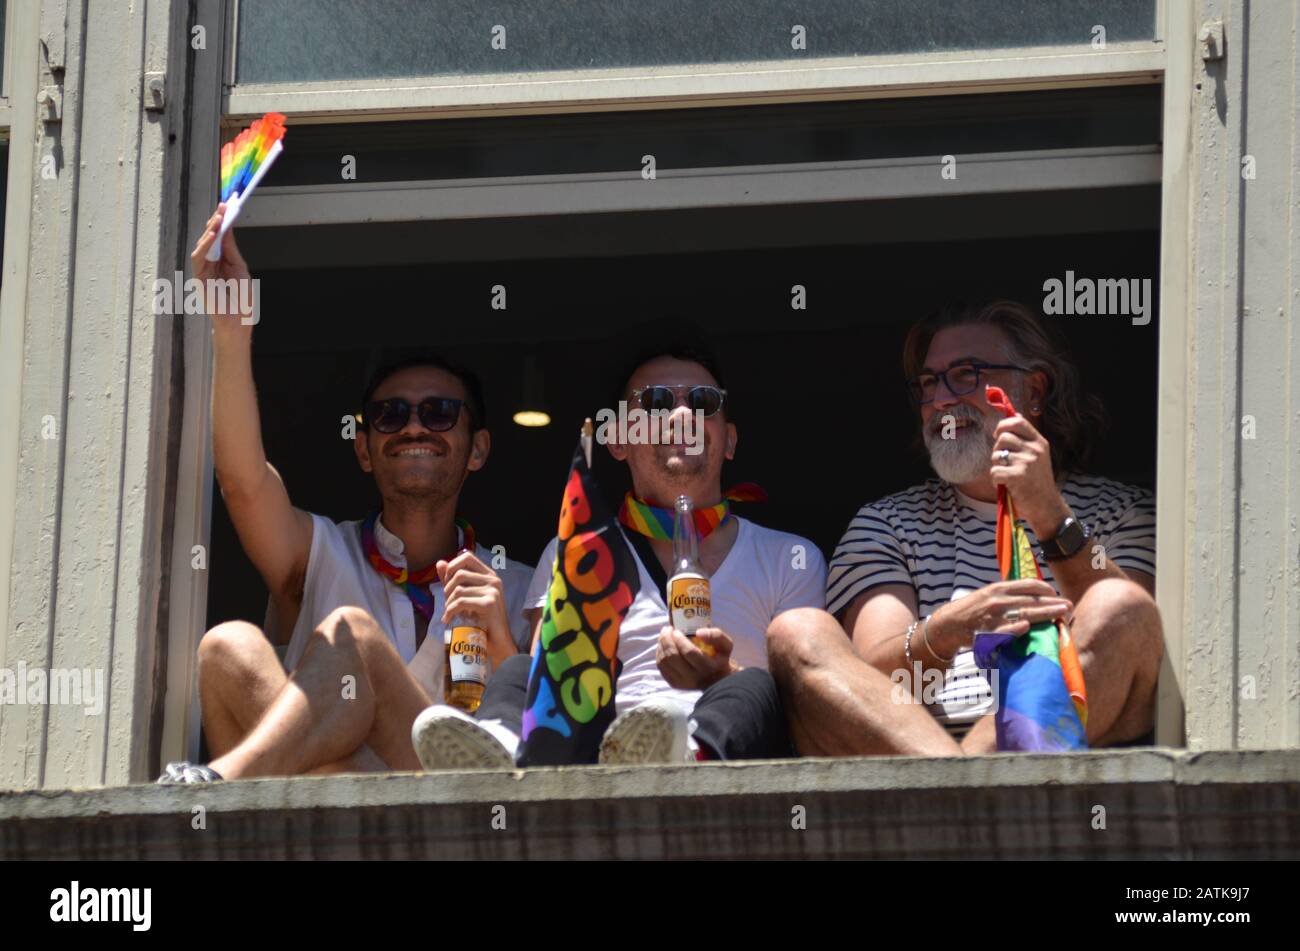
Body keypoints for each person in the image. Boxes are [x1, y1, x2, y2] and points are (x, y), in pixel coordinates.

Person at [157, 205, 533, 783]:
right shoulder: (321, 554)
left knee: (353, 635)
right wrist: (231, 336)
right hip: (338, 827)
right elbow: (242, 481)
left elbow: (547, 748)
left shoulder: (522, 584)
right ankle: (231, 792)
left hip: (461, 829)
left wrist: (504, 641)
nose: (413, 427)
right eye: (389, 415)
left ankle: (212, 788)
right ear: (363, 448)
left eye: (439, 413)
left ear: (477, 449)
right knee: (226, 649)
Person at [768, 299, 1163, 756]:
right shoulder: (887, 522)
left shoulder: (1124, 509)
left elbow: (1136, 642)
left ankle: (978, 779)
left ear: (1034, 390)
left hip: (1059, 750)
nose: (940, 401)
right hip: (912, 756)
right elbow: (876, 676)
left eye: (966, 374)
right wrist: (956, 625)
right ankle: (967, 784)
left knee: (1121, 601)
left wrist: (1050, 513)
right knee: (797, 630)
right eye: (930, 383)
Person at [411, 338, 827, 768]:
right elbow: (549, 691)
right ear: (617, 440)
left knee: (756, 685)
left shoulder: (790, 556)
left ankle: (690, 753)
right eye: (655, 402)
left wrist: (723, 675)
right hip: (595, 756)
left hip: (722, 771)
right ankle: (498, 745)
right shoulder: (573, 550)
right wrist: (499, 633)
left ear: (729, 441)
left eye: (704, 402)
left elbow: (809, 713)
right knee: (524, 672)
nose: (682, 414)